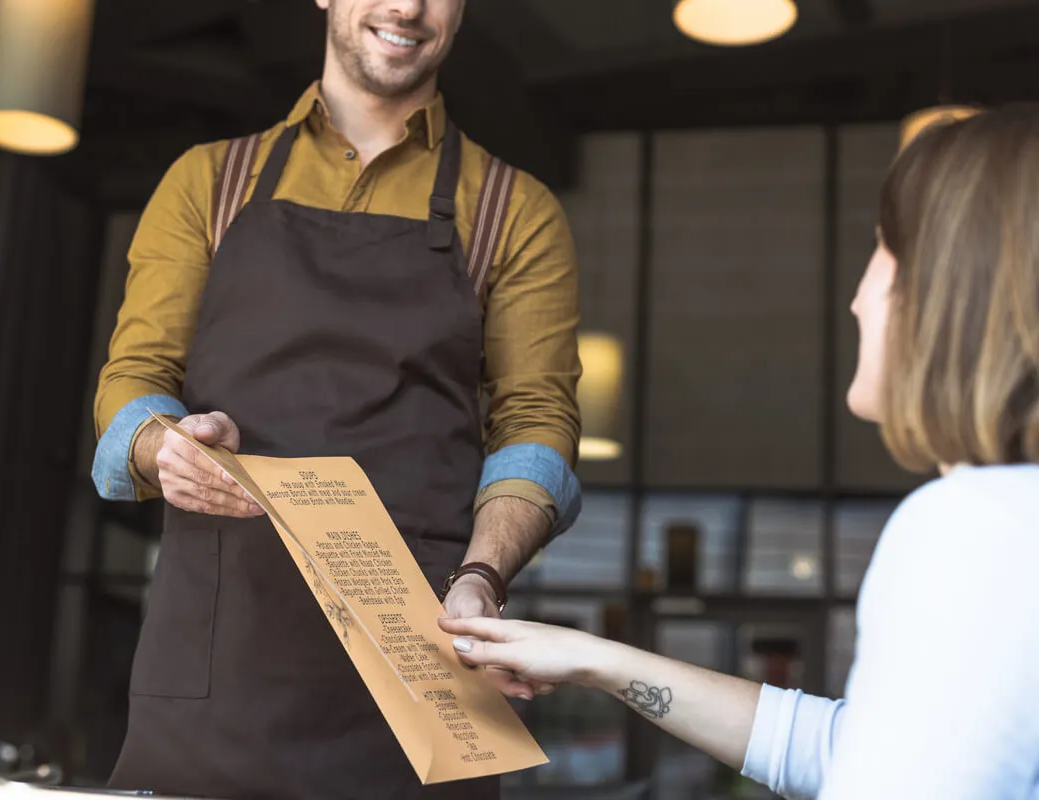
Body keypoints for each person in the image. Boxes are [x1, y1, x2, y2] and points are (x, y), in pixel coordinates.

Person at [441, 104, 1039, 800]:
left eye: (883, 250)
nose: (856, 298)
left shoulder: (972, 526)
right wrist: (588, 658)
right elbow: (841, 747)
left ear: (950, 290)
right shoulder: (1010, 521)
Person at [91, 0, 583, 797]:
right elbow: (135, 377)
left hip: (423, 657)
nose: (406, 7)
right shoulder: (209, 181)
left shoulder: (513, 209)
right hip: (222, 648)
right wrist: (161, 444)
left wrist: (483, 576)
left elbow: (536, 421)